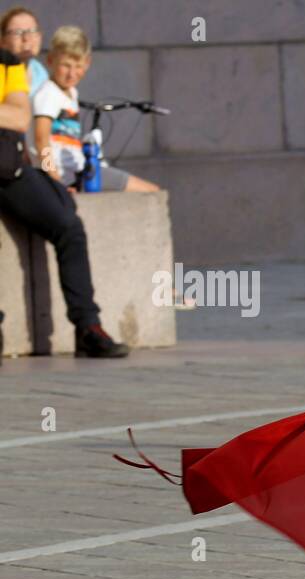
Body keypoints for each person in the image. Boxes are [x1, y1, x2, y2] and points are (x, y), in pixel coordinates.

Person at [0, 18, 127, 357]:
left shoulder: (8, 66)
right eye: (17, 32)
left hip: (7, 168)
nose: (25, 39)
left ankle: (88, 327)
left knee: (68, 224)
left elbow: (17, 118)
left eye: (30, 32)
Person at [34, 26, 158, 192]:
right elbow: (41, 140)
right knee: (150, 191)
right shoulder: (49, 94)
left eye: (78, 66)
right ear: (50, 61)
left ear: (87, 63)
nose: (72, 73)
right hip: (64, 176)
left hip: (79, 172)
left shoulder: (71, 93)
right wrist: (54, 179)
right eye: (66, 65)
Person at [1, 7, 46, 94]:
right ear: (2, 41)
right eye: (17, 32)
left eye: (33, 31)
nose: (26, 38)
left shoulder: (39, 71)